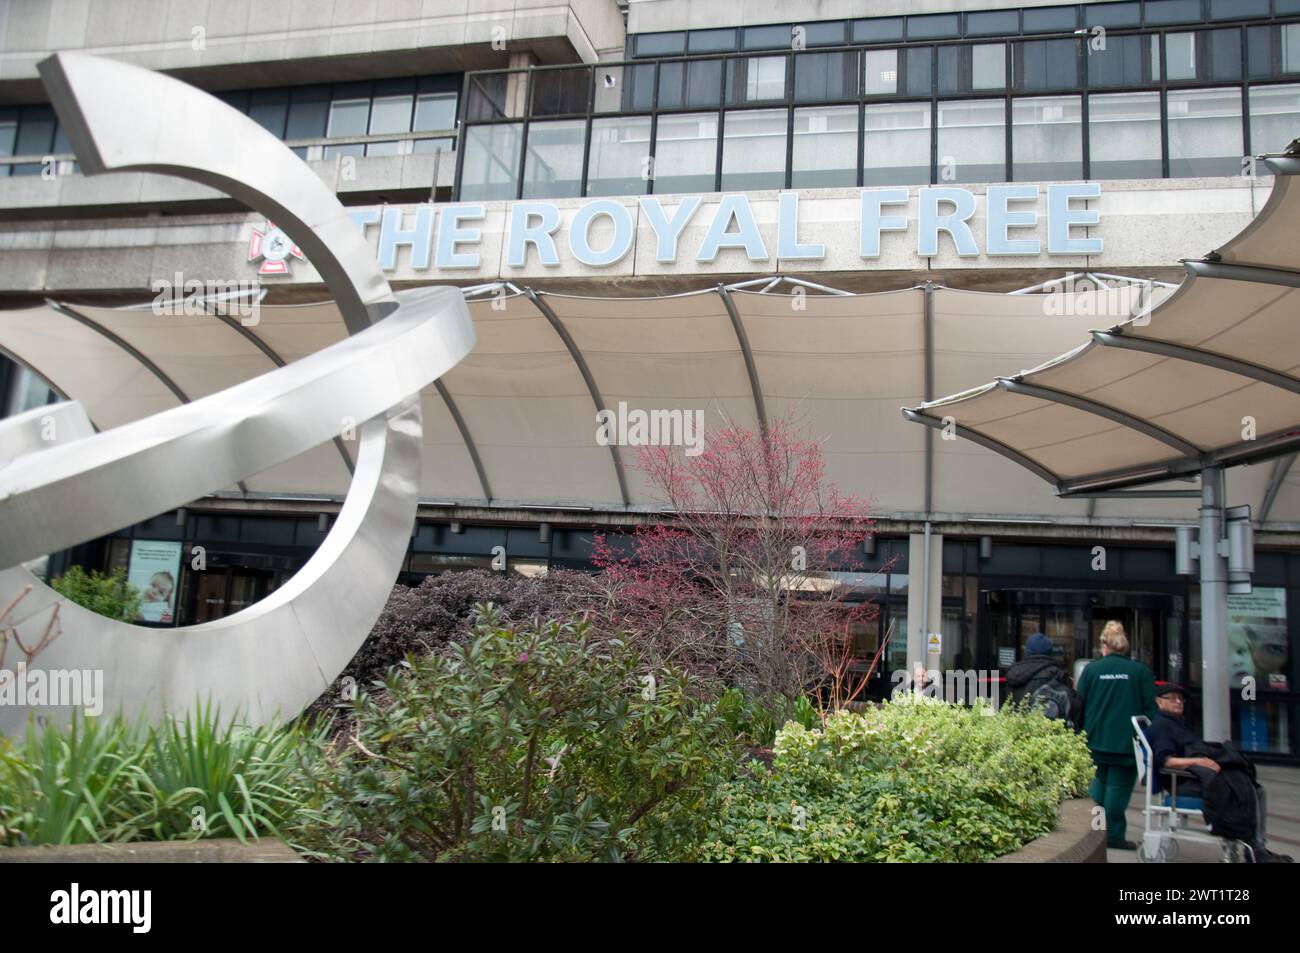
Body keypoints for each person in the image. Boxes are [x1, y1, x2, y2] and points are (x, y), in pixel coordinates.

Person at [1143, 683, 1291, 862]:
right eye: (1172, 698)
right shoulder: (1162, 727)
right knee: (1241, 790)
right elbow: (1166, 761)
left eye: (1180, 698)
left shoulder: (1176, 723)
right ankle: (1253, 848)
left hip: (1195, 777)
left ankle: (1256, 846)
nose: (1179, 702)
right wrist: (1199, 761)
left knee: (1254, 788)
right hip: (1184, 782)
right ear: (1159, 702)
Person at [1075, 621, 1156, 851]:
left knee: (1098, 785)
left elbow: (1079, 704)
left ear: (1104, 645)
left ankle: (1093, 829)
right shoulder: (1140, 671)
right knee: (1118, 789)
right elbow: (1150, 709)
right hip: (1126, 743)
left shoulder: (1092, 670)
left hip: (1095, 739)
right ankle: (1113, 834)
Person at [1006, 632, 1080, 728]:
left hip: (1018, 736)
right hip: (1051, 737)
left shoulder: (1013, 674)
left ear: (1027, 652)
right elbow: (1073, 710)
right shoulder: (1059, 675)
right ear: (1050, 653)